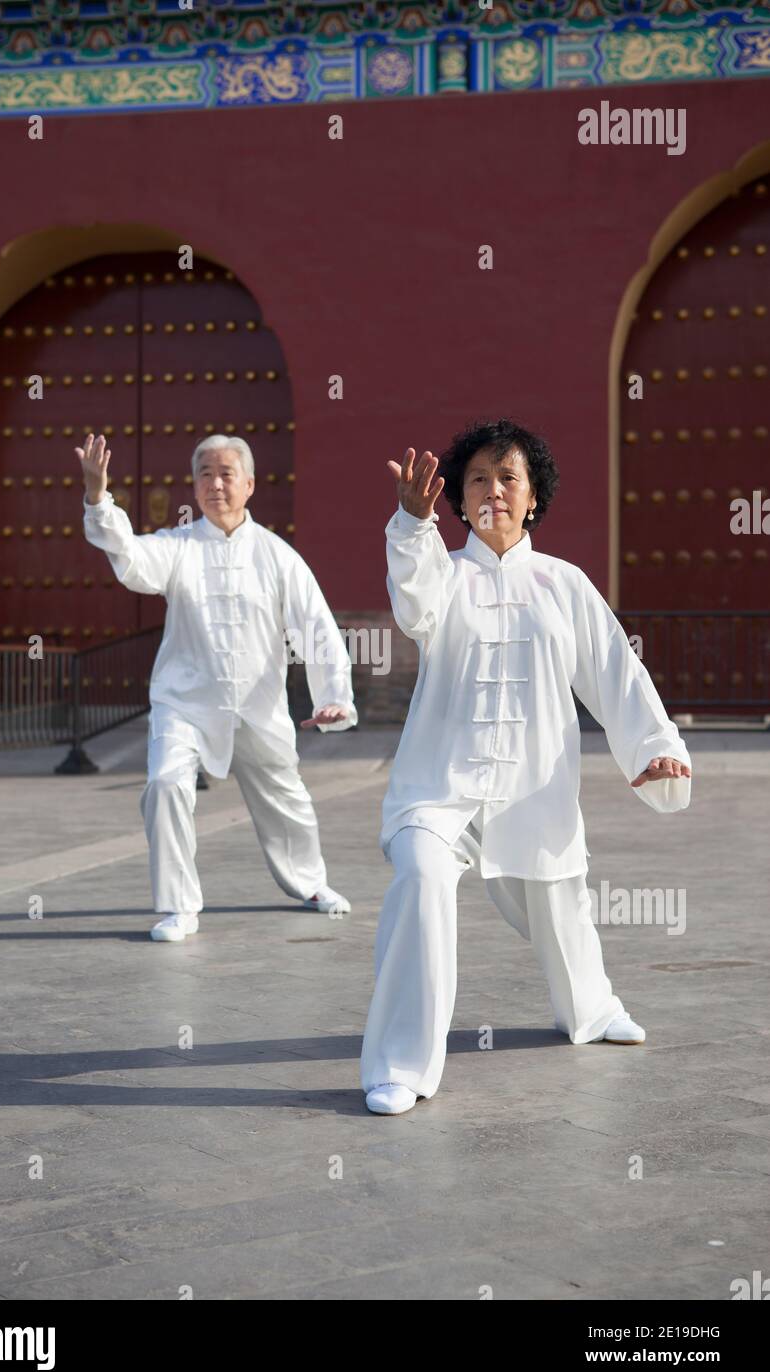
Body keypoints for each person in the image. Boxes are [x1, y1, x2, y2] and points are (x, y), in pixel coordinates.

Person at [361, 419, 692, 1115]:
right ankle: (399, 1064)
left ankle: (593, 1012)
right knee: (420, 879)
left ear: (533, 496)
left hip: (532, 789)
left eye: (508, 477)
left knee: (561, 908)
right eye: (478, 478)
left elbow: (614, 673)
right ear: (458, 498)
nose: (493, 490)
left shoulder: (562, 584)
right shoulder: (444, 576)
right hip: (440, 787)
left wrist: (654, 748)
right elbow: (414, 606)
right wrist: (410, 525)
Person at [78, 432, 357, 941]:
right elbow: (131, 560)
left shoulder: (277, 556)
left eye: (227, 473)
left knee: (287, 799)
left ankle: (312, 884)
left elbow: (315, 627)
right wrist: (99, 497)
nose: (215, 483)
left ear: (249, 484)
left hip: (258, 705)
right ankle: (178, 907)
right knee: (164, 784)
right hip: (184, 703)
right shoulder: (177, 547)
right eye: (205, 474)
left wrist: (334, 696)